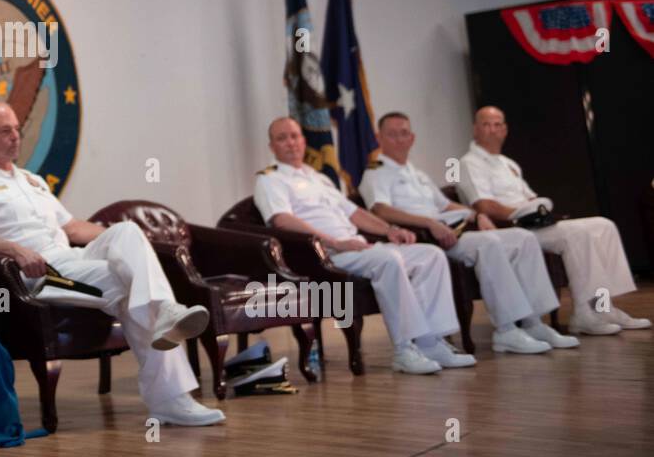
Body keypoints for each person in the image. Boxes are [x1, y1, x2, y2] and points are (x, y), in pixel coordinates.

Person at [0, 101, 223, 426]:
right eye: (5, 131)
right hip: (41, 273)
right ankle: (171, 397)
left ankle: (165, 319)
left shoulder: (32, 181)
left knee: (128, 232)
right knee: (134, 286)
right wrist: (15, 250)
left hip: (73, 259)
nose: (16, 136)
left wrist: (123, 241)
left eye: (17, 128)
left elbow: (73, 228)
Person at [255, 117, 471, 375]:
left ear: (303, 140)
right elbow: (281, 219)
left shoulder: (318, 178)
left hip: (355, 247)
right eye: (282, 138)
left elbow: (355, 213)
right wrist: (334, 242)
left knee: (431, 255)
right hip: (323, 254)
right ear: (272, 146)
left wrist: (390, 230)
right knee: (390, 261)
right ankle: (404, 349)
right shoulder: (270, 180)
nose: (290, 143)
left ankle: (432, 342)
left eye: (294, 136)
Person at [360, 112, 577, 355]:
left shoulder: (416, 172)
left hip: (452, 230)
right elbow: (380, 209)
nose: (399, 140)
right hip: (425, 238)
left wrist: (476, 214)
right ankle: (506, 330)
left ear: (412, 138)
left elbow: (445, 205)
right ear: (379, 138)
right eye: (392, 134)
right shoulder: (375, 170)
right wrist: (428, 223)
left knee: (523, 238)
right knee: (489, 243)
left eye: (404, 133)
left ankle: (534, 323)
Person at [458, 106, 650, 335]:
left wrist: (538, 209)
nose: (492, 129)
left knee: (602, 225)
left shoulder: (508, 163)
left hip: (535, 222)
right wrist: (521, 212)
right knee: (576, 235)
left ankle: (603, 307)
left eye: (498, 124)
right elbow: (483, 205)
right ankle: (583, 314)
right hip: (511, 228)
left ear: (505, 129)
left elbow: (530, 196)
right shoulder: (467, 163)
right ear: (475, 129)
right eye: (486, 124)